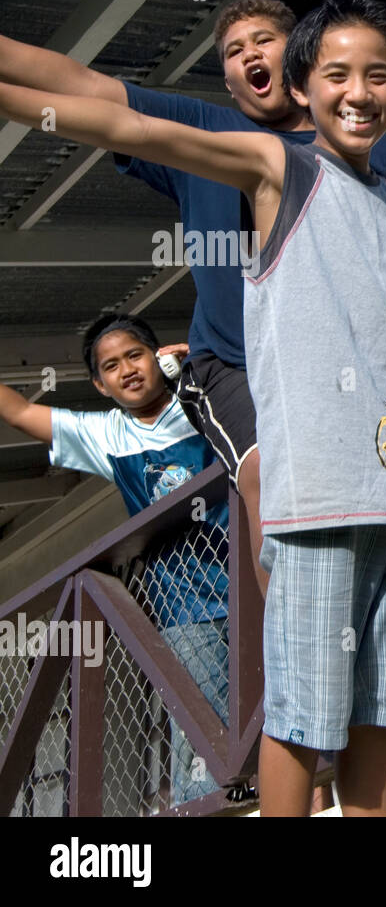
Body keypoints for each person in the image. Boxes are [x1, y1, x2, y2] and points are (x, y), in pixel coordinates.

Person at [0, 0, 386, 817]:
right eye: (234, 46)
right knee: (305, 690)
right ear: (306, 79)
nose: (359, 90)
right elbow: (112, 114)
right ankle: (282, 655)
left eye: (376, 75)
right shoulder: (259, 154)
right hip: (270, 416)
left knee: (380, 717)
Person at [0, 314, 229, 804]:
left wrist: (198, 356)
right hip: (184, 608)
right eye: (111, 365)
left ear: (156, 355)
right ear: (99, 384)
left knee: (276, 710)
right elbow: (19, 414)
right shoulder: (106, 435)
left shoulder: (203, 397)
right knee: (204, 732)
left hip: (252, 581)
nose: (127, 369)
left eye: (135, 355)